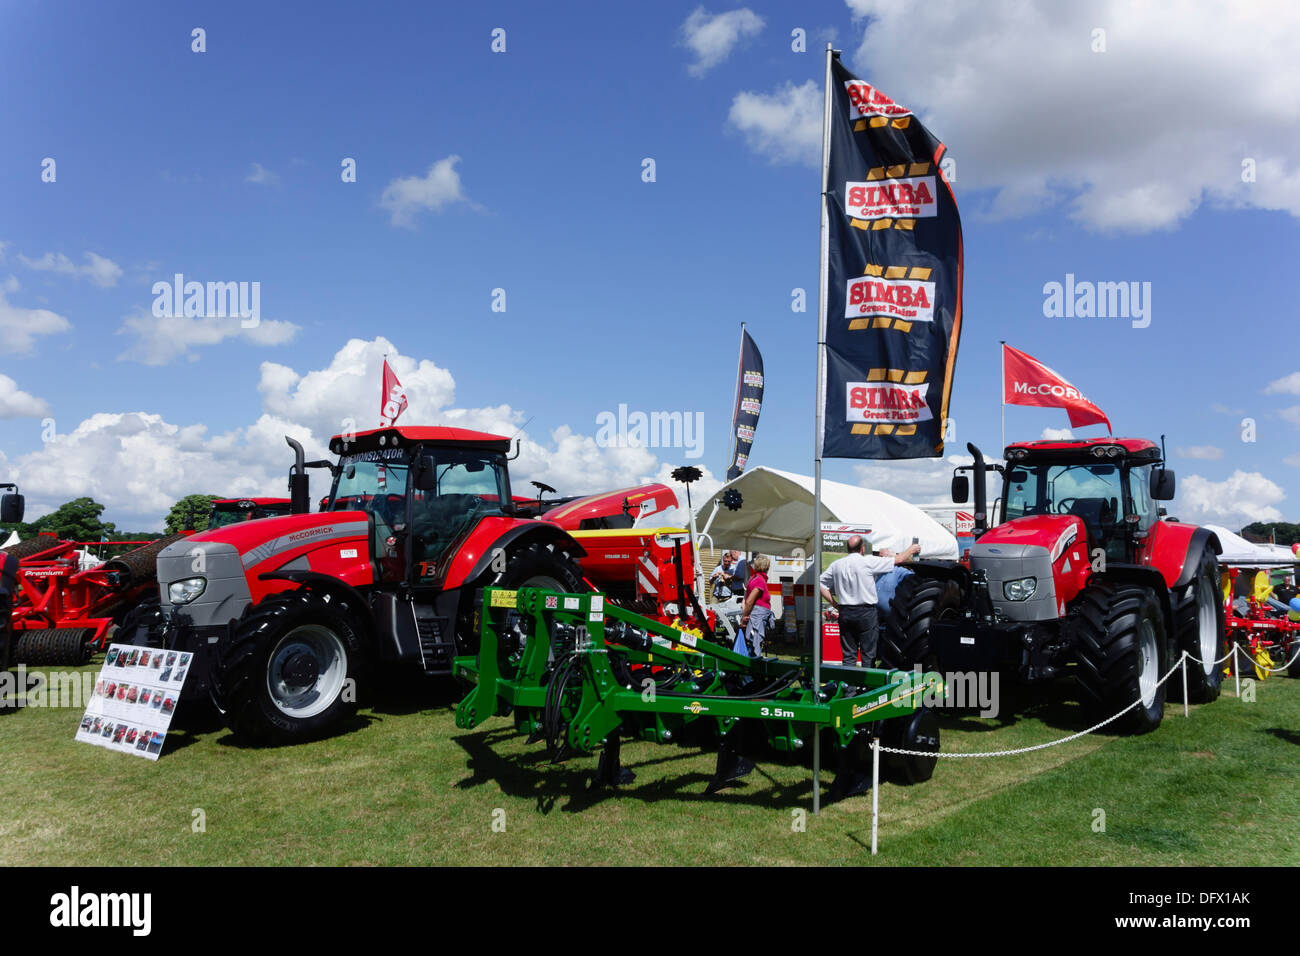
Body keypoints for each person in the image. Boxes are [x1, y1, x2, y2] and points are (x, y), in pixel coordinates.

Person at [819, 535, 919, 666]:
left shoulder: (836, 565)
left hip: (845, 612)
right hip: (866, 613)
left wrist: (835, 604)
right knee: (868, 654)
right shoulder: (868, 561)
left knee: (848, 655)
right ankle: (866, 686)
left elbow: (820, 583)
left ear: (848, 548)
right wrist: (911, 549)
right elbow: (899, 559)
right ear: (862, 548)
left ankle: (848, 685)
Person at [739, 554, 774, 657]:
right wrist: (744, 618)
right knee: (754, 647)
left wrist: (745, 615)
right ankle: (751, 670)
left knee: (752, 645)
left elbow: (745, 599)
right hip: (757, 618)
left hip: (755, 616)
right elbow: (749, 601)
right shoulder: (760, 581)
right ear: (767, 567)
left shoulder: (753, 578)